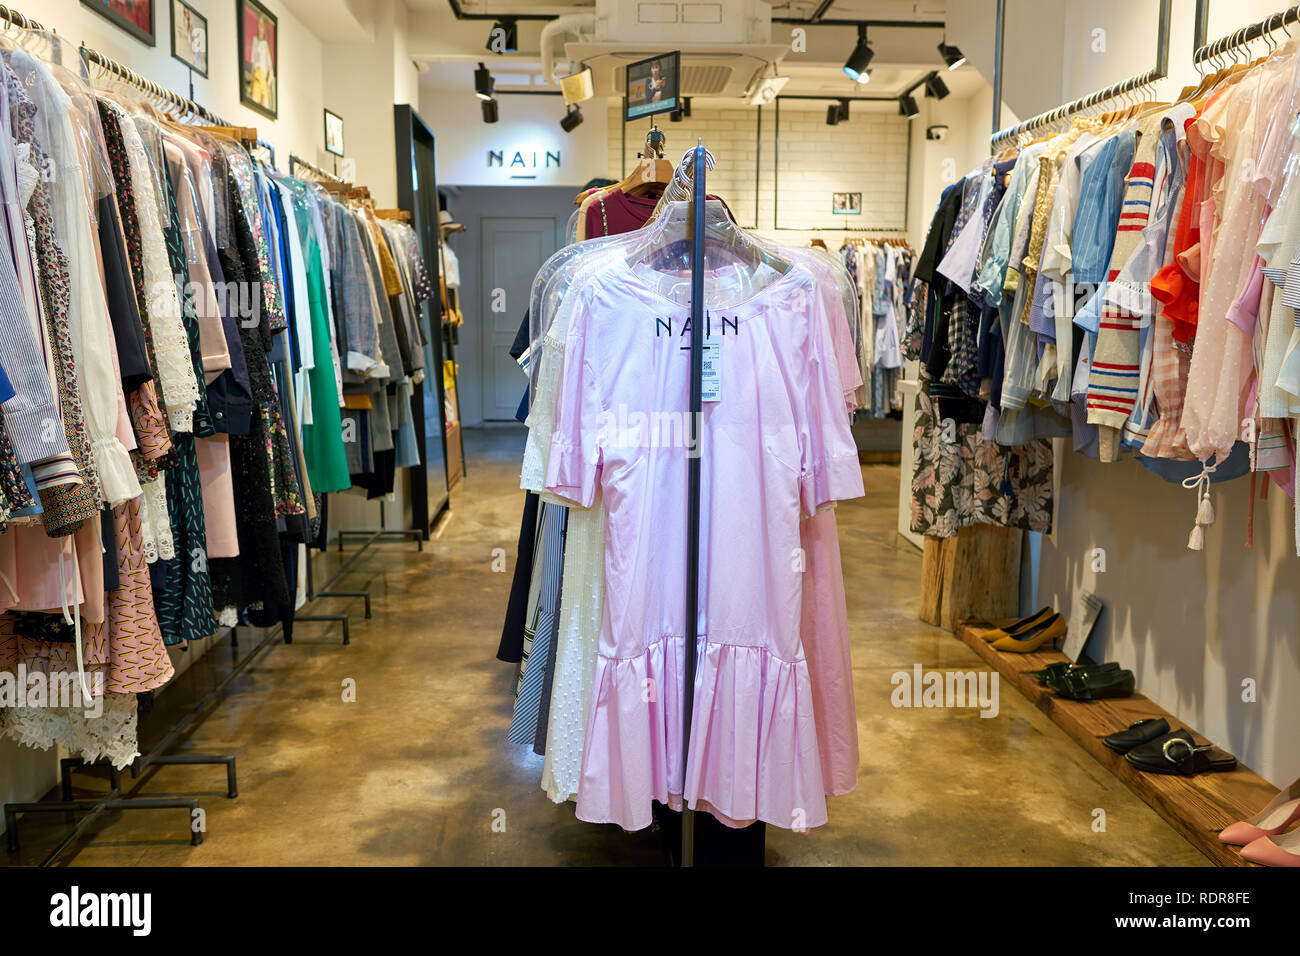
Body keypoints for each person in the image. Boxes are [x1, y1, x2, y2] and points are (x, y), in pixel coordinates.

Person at [248, 15, 275, 110]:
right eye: (259, 24)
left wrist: (267, 85)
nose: (260, 27)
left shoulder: (265, 45)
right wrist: (251, 84)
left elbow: (271, 72)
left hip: (263, 78)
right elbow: (253, 65)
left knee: (265, 106)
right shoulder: (255, 41)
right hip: (256, 77)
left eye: (262, 25)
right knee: (253, 107)